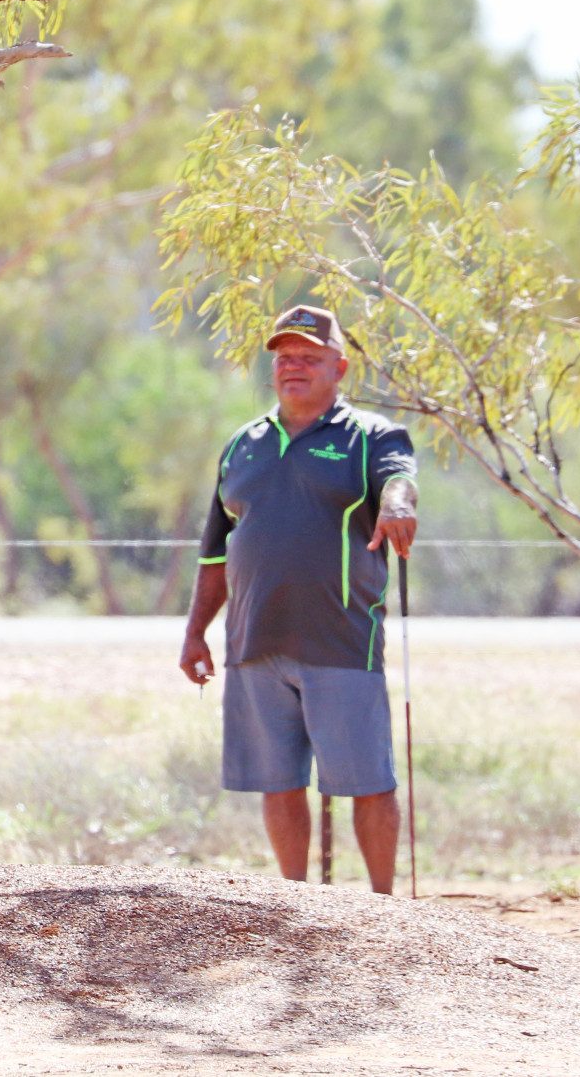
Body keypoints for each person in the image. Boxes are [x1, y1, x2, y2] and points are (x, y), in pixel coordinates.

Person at [178, 304, 418, 891]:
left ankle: (387, 912)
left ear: (339, 368)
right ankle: (296, 901)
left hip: (340, 641)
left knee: (367, 781)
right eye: (285, 358)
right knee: (277, 780)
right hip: (254, 642)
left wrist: (398, 504)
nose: (294, 368)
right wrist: (194, 632)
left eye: (309, 358)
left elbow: (398, 475)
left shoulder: (370, 435)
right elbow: (215, 554)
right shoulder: (243, 445)